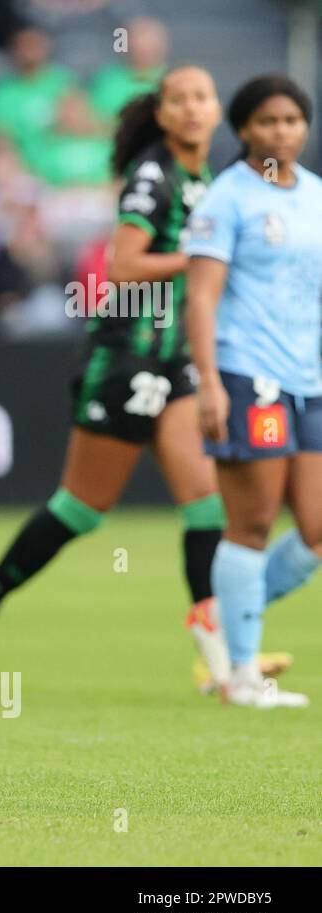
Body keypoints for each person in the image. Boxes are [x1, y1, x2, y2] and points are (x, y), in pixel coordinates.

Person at [0, 66, 286, 695]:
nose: (190, 109)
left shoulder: (206, 179)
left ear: (216, 112)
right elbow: (123, 267)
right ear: (162, 114)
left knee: (206, 502)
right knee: (82, 509)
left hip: (176, 361)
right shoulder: (153, 176)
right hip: (126, 358)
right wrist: (207, 258)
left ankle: (217, 655)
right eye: (177, 100)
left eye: (201, 98)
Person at [184, 74, 322, 708]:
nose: (281, 132)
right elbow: (202, 297)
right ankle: (242, 675)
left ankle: (221, 615)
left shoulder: (316, 196)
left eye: (292, 120)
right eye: (268, 121)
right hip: (250, 375)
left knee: (316, 527)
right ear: (243, 129)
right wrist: (209, 381)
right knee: (255, 522)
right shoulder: (227, 198)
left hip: (310, 378)